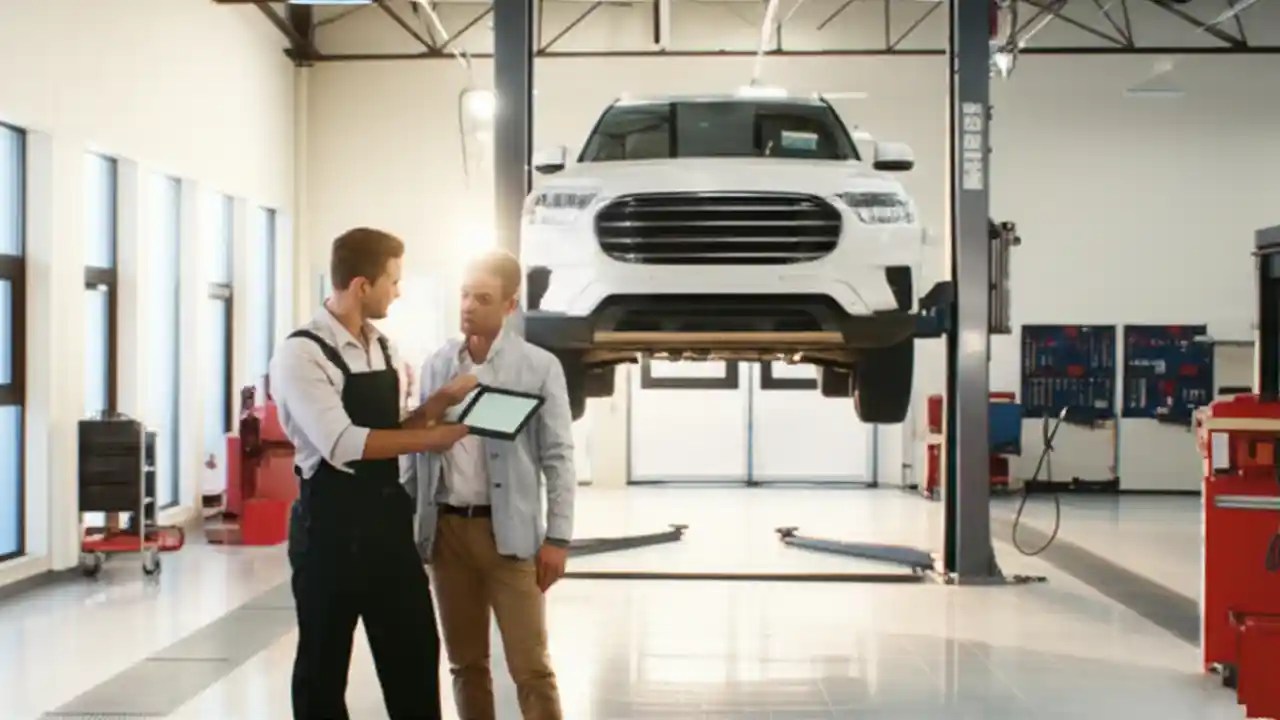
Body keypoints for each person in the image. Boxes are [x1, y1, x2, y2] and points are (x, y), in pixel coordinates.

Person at [269, 227, 477, 720]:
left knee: (414, 656)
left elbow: (388, 430)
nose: (398, 292)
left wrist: (438, 404)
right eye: (393, 281)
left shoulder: (382, 346)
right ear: (362, 285)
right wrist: (433, 439)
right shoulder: (303, 353)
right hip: (329, 535)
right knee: (322, 668)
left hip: (386, 527)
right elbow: (344, 443)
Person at [402, 250, 576, 720]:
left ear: (509, 305)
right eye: (464, 295)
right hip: (448, 535)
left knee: (531, 668)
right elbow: (414, 449)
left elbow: (558, 456)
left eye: (483, 297)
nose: (468, 306)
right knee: (465, 665)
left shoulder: (538, 368)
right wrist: (409, 524)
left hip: (511, 538)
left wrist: (558, 538)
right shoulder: (438, 364)